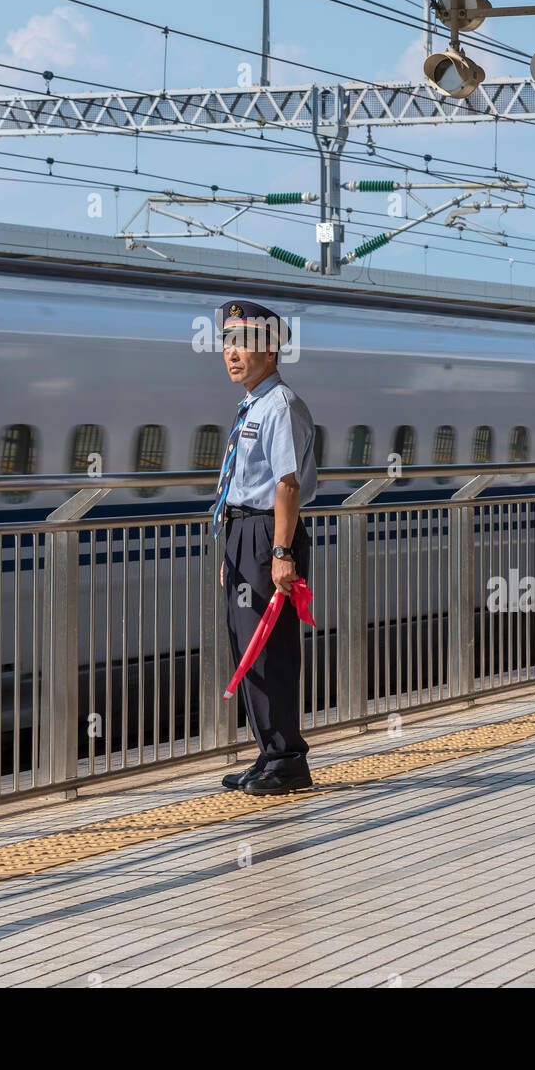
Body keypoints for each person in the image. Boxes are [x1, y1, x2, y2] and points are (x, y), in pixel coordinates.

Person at [211, 298, 318, 794]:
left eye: (243, 343)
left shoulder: (281, 405)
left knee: (269, 650)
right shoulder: (251, 404)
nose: (232, 353)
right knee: (247, 648)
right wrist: (228, 551)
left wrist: (280, 553)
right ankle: (268, 752)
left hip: (268, 534)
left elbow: (288, 484)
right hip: (243, 535)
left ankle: (288, 760)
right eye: (227, 342)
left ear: (271, 351)